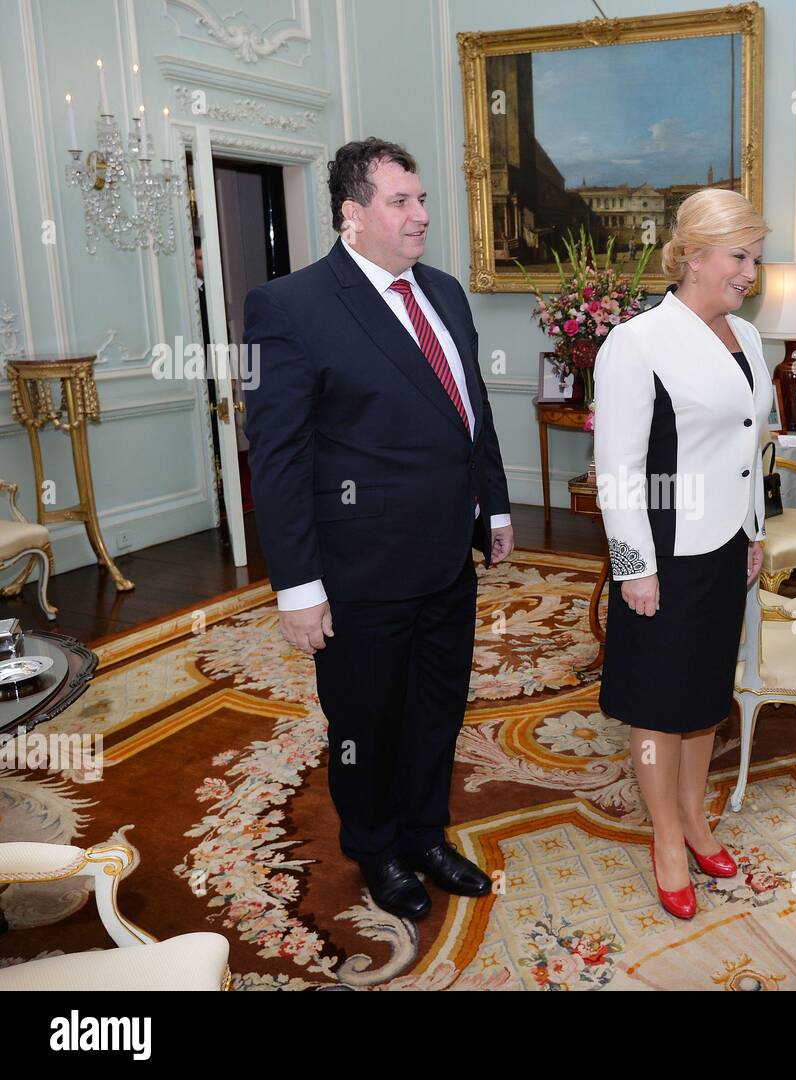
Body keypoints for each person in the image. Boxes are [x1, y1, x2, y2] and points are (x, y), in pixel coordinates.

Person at [242, 138, 513, 921]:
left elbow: (473, 412)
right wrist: (297, 587)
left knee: (437, 707)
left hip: (445, 560)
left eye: (422, 198)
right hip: (359, 569)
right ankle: (377, 847)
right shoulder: (290, 307)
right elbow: (283, 458)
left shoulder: (445, 292)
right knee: (366, 722)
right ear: (351, 214)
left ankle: (426, 834)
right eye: (401, 201)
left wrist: (491, 505)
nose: (421, 214)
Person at [594, 188, 773, 919]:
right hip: (665, 549)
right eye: (740, 256)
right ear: (694, 256)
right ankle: (666, 834)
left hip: (726, 542)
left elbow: (750, 446)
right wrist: (634, 568)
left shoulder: (750, 339)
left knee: (702, 698)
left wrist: (756, 527)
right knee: (656, 702)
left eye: (756, 258)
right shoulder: (637, 343)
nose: (751, 274)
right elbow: (617, 469)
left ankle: (697, 817)